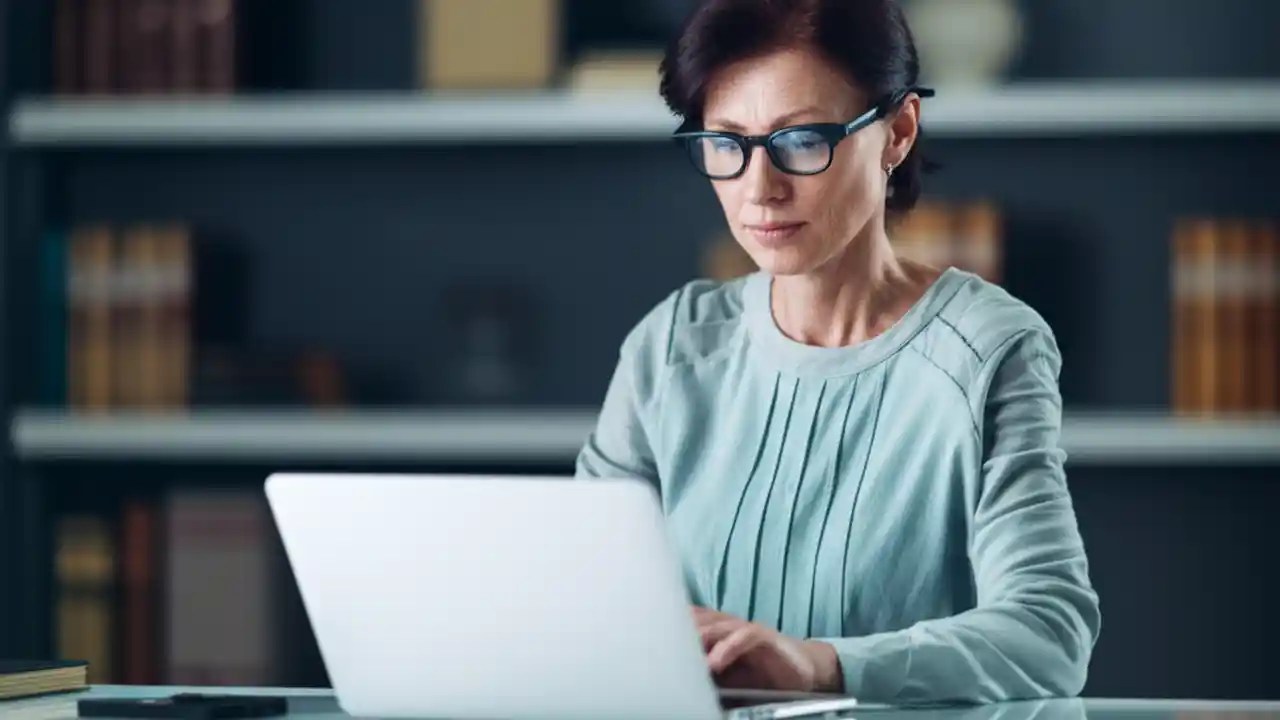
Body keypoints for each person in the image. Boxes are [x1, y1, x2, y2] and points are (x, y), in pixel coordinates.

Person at [575, 0, 1101, 706]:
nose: (759, 188)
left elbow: (1046, 636)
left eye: (801, 140)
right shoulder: (671, 346)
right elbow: (576, 596)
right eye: (726, 143)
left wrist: (821, 665)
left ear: (898, 132)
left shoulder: (987, 347)